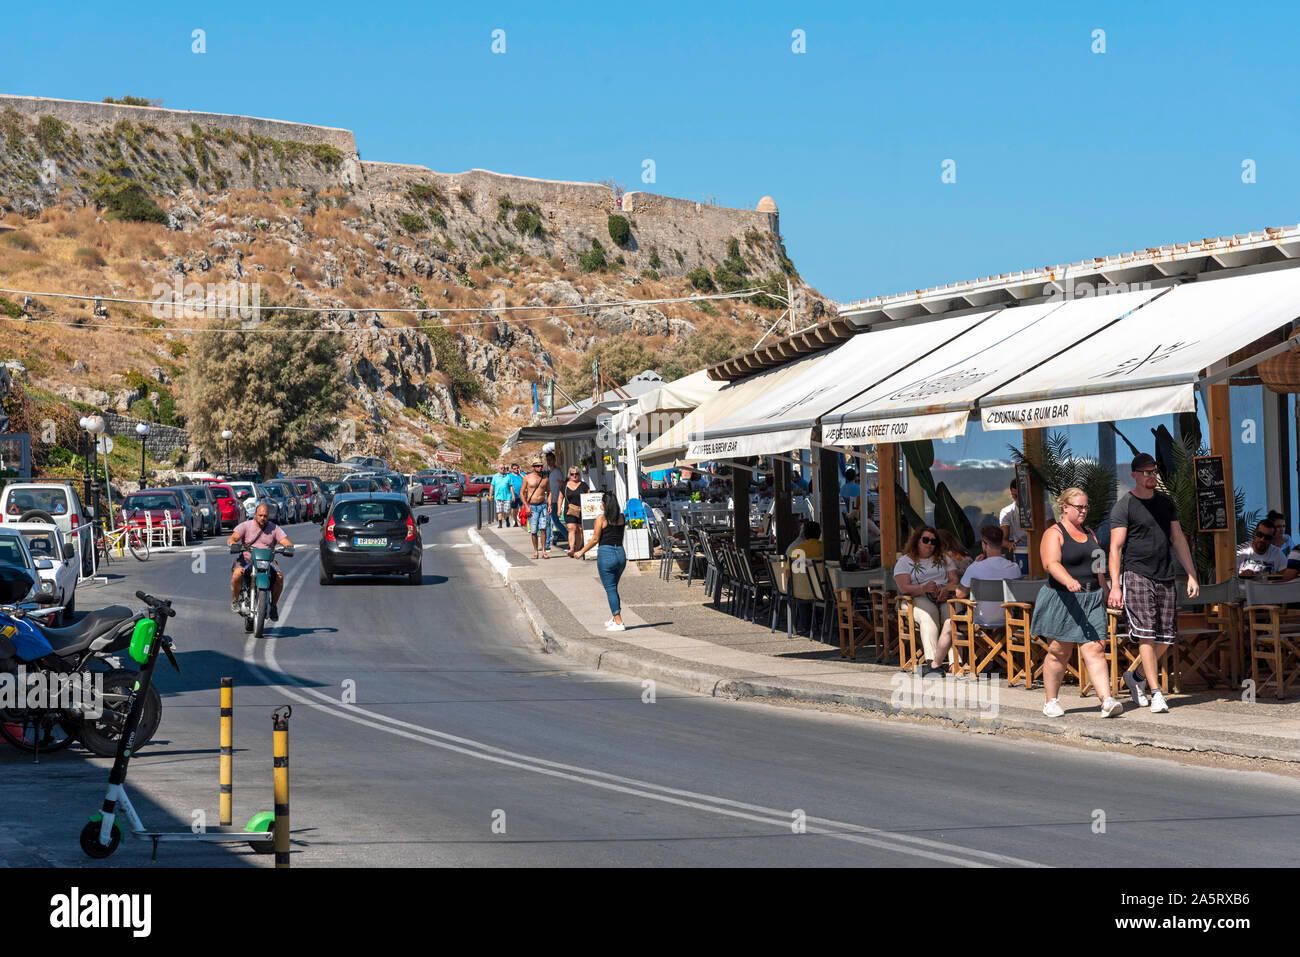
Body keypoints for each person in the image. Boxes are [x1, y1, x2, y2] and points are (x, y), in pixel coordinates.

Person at [1108, 452, 1199, 714]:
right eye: (1146, 472)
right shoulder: (1124, 505)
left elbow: (1178, 539)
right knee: (1146, 635)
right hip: (1136, 572)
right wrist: (1116, 585)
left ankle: (1135, 676)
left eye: (1154, 471)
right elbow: (1115, 548)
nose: (1151, 476)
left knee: (1167, 636)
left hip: (1165, 573)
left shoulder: (1165, 502)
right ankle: (1157, 691)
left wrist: (1191, 573)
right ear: (1134, 474)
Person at [1035, 488, 1123, 718]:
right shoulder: (1054, 533)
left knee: (1095, 647)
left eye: (1086, 507)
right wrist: (1068, 580)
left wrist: (1107, 591)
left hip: (1091, 598)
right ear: (1065, 507)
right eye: (1079, 507)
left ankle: (1106, 700)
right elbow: (1050, 563)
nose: (1084, 511)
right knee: (1059, 651)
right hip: (1063, 598)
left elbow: (1098, 568)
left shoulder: (1090, 534)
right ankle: (1051, 701)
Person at [928, 524, 1021, 674]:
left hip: (979, 618)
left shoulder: (976, 568)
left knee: (948, 623)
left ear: (984, 544)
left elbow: (959, 594)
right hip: (1007, 619)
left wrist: (976, 565)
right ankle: (997, 660)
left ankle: (935, 665)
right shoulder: (1014, 567)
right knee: (996, 628)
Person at [894, 525, 960, 670]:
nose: (929, 544)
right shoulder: (905, 561)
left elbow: (955, 580)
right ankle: (932, 661)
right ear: (917, 541)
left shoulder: (944, 558)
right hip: (916, 598)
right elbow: (904, 588)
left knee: (952, 616)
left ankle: (955, 661)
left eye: (933, 541)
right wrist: (922, 589)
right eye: (925, 540)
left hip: (943, 596)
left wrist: (946, 589)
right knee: (929, 615)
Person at [228, 503, 292, 621]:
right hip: (247, 559)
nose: (263, 518)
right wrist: (233, 544)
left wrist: (288, 547)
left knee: (279, 577)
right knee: (237, 574)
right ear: (255, 515)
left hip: (268, 560)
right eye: (260, 515)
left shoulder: (274, 528)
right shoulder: (245, 526)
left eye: (265, 516)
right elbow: (233, 537)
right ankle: (235, 601)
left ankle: (273, 606)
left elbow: (285, 541)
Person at [573, 491, 627, 631]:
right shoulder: (622, 517)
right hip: (620, 554)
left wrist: (581, 552)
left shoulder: (601, 519)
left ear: (604, 504)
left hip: (606, 554)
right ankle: (614, 617)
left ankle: (618, 621)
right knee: (613, 587)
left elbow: (595, 539)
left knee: (610, 589)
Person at [521, 457, 551, 559]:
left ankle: (543, 551)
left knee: (543, 529)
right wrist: (526, 506)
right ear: (533, 467)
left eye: (541, 466)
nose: (540, 467)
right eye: (537, 466)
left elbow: (549, 492)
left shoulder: (545, 478)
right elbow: (521, 493)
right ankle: (535, 551)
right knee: (533, 530)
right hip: (532, 507)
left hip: (543, 506)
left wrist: (549, 504)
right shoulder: (527, 478)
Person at [1000, 478, 1028, 573]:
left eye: (1021, 496)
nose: (1019, 499)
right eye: (1015, 496)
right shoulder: (1007, 512)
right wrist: (1010, 544)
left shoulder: (1044, 507)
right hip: (1021, 551)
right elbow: (1003, 539)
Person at [562, 467, 590, 557]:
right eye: (572, 474)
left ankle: (578, 549)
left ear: (579, 474)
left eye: (576, 474)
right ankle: (571, 549)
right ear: (569, 475)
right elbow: (560, 497)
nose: (574, 476)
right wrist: (558, 509)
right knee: (571, 529)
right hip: (569, 510)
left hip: (581, 510)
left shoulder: (584, 485)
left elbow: (588, 497)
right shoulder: (565, 485)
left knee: (579, 530)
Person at [545, 451, 566, 547]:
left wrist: (560, 502)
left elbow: (561, 485)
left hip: (556, 501)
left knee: (557, 522)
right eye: (547, 460)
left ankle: (569, 538)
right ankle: (549, 543)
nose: (549, 462)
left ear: (554, 460)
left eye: (550, 460)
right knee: (551, 522)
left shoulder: (557, 471)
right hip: (551, 500)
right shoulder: (550, 472)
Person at [490, 464, 514, 528]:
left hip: (507, 496)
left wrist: (513, 495)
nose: (502, 469)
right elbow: (492, 486)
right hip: (498, 496)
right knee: (499, 510)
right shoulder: (495, 476)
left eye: (503, 468)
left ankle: (507, 519)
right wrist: (490, 495)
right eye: (501, 468)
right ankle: (500, 524)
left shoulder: (508, 476)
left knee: (507, 511)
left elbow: (511, 486)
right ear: (498, 469)